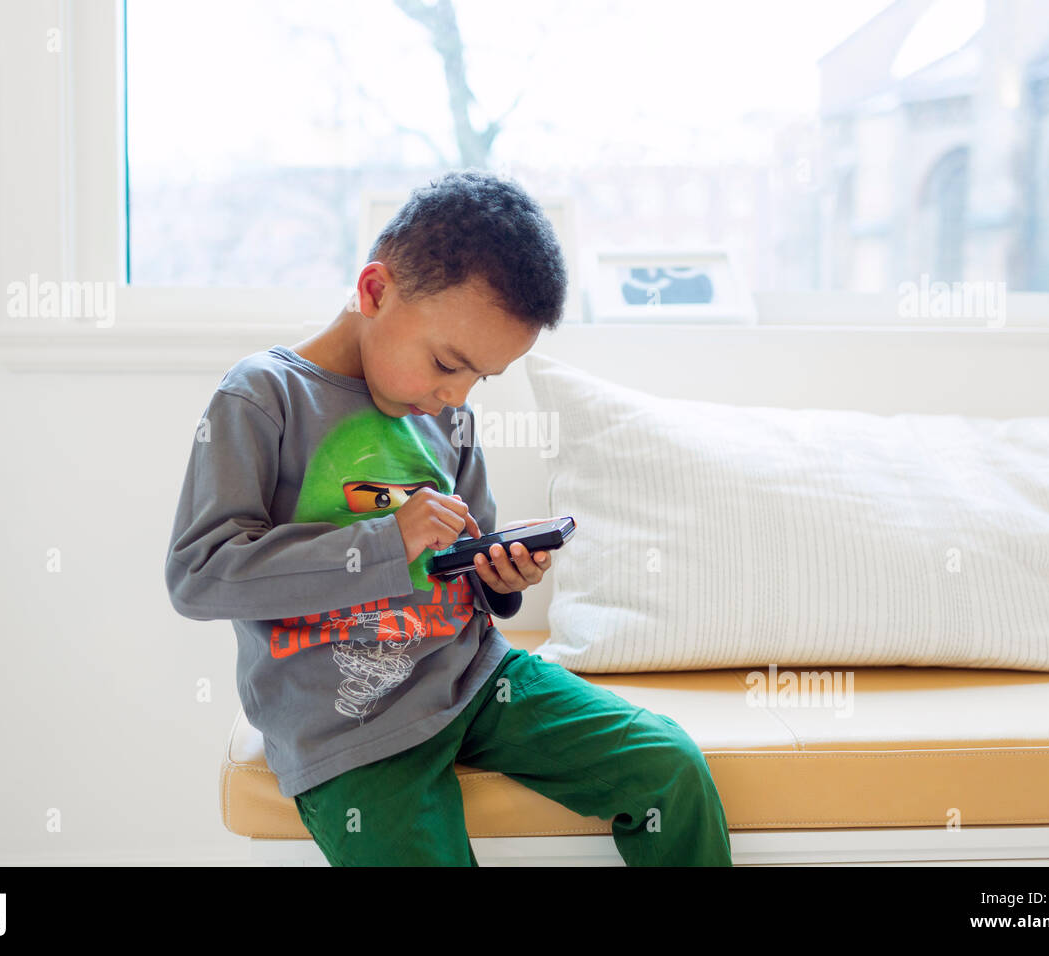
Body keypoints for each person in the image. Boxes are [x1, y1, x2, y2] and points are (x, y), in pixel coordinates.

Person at [164, 168, 731, 866]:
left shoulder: (448, 415)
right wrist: (385, 542)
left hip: (476, 679)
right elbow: (198, 577)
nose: (454, 395)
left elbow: (467, 559)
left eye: (478, 379)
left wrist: (501, 575)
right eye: (446, 363)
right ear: (375, 291)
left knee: (668, 767)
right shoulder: (263, 397)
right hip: (349, 724)